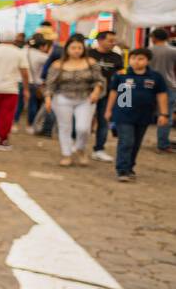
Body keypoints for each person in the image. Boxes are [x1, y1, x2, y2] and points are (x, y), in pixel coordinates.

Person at [106, 47, 170, 181]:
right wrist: (108, 110)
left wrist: (164, 114)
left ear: (147, 61)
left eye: (140, 59)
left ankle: (129, 167)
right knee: (126, 141)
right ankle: (122, 170)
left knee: (136, 143)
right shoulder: (121, 74)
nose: (136, 61)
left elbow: (161, 95)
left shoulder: (155, 77)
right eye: (133, 58)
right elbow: (113, 93)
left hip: (144, 115)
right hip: (123, 114)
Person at [44, 34, 104, 166]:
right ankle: (66, 154)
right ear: (67, 49)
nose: (76, 50)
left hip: (85, 99)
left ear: (83, 49)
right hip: (62, 99)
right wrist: (48, 98)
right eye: (73, 47)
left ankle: (80, 148)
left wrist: (96, 91)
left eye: (79, 48)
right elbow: (50, 84)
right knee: (64, 127)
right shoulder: (58, 65)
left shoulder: (91, 63)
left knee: (83, 128)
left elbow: (99, 80)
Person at [88, 31, 124, 161]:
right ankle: (75, 145)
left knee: (103, 122)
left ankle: (99, 149)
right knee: (82, 121)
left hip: (107, 94)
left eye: (114, 40)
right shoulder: (88, 54)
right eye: (110, 40)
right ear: (100, 40)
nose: (113, 43)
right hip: (88, 93)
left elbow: (120, 76)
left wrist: (123, 97)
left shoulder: (117, 57)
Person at [148, 28, 176, 152]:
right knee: (165, 115)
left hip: (149, 85)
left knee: (142, 112)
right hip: (168, 85)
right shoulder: (173, 51)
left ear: (154, 38)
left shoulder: (148, 51)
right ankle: (163, 144)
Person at [24, 34, 50, 132]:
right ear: (41, 46)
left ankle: (15, 123)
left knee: (19, 105)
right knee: (33, 105)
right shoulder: (42, 56)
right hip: (34, 83)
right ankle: (30, 125)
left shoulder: (23, 51)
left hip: (20, 81)